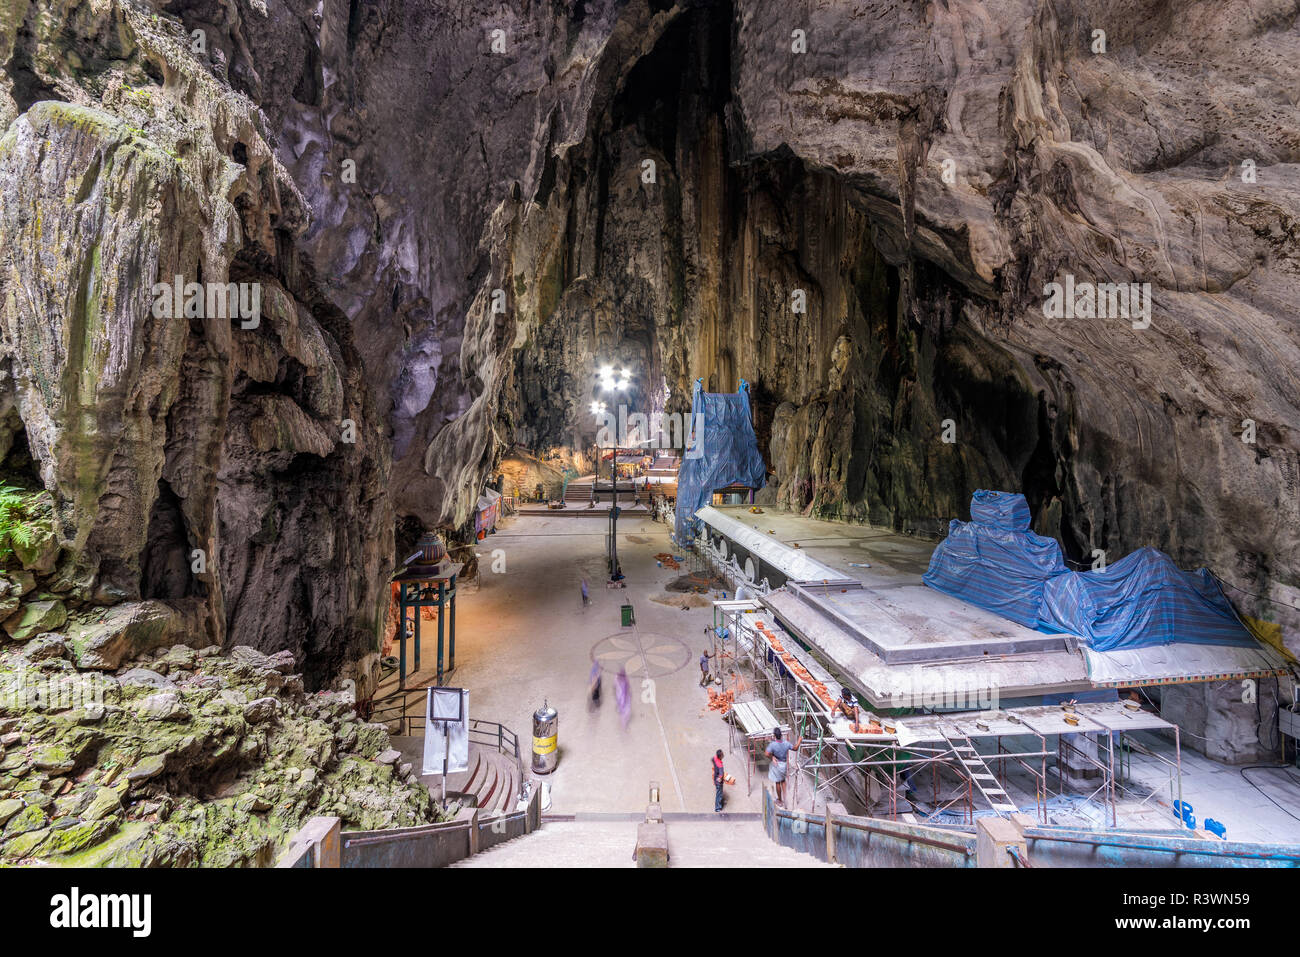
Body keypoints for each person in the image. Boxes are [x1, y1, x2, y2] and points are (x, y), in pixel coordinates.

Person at [764, 727, 798, 807]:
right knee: (783, 780)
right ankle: (785, 797)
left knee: (777, 782)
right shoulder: (786, 743)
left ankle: (780, 800)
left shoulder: (772, 745)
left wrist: (772, 756)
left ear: (774, 736)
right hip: (784, 764)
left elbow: (766, 754)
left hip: (777, 764)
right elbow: (795, 748)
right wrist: (800, 740)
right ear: (781, 735)